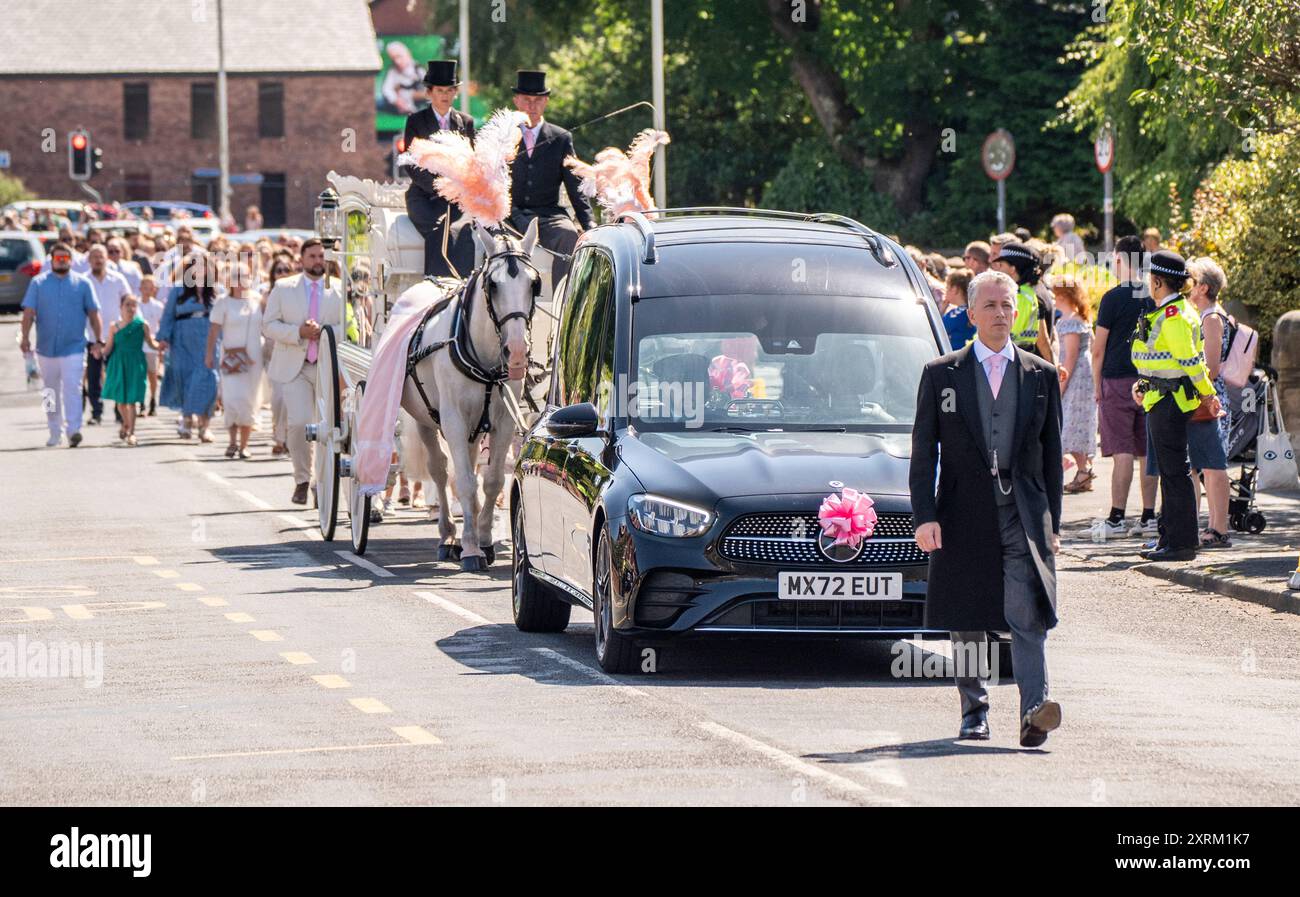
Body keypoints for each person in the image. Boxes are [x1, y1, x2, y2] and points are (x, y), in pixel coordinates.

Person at [910, 269, 1063, 747]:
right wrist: (925, 515)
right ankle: (973, 711)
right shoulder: (941, 374)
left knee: (1027, 610)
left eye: (1008, 306)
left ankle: (1034, 710)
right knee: (969, 613)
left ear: (1017, 313)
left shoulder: (1040, 374)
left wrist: (1053, 523)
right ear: (971, 313)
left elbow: (1052, 454)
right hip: (962, 510)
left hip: (1023, 512)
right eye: (991, 306)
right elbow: (924, 451)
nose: (1001, 314)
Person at [1131, 250, 1220, 561]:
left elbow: (1191, 363)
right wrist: (1142, 384)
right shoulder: (1174, 311)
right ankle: (1169, 538)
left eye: (1149, 279)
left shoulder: (1173, 316)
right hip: (1160, 396)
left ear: (1157, 281)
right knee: (1172, 473)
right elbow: (1163, 361)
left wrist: (1208, 394)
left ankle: (1180, 544)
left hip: (1170, 400)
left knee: (1174, 474)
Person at [263, 238, 345, 504]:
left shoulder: (339, 290)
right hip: (294, 367)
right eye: (312, 256)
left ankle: (321, 485)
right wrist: (297, 332)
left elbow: (350, 328)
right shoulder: (284, 288)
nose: (317, 261)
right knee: (298, 424)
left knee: (326, 429)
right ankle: (301, 478)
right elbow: (268, 325)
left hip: (325, 366)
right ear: (302, 259)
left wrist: (325, 333)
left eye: (321, 256)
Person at [1091, 235, 1158, 537]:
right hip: (1150, 379)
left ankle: (1117, 518)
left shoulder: (1112, 297)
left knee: (1122, 452)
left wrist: (1096, 386)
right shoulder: (1154, 296)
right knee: (1147, 451)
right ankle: (1149, 516)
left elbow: (1098, 348)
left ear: (1119, 260)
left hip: (1117, 380)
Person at [507, 69, 594, 283]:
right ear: (516, 100)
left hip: (547, 215)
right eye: (526, 100)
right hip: (509, 214)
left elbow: (575, 185)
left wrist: (589, 222)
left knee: (568, 235)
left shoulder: (561, 138)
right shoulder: (503, 134)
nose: (531, 106)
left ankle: (562, 303)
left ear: (546, 101)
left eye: (538, 100)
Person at [19, 243, 101, 447]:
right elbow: (28, 312)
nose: (62, 261)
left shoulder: (83, 284)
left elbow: (93, 313)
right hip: (46, 348)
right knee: (50, 391)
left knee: (73, 388)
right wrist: (25, 338)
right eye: (58, 258)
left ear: (71, 260)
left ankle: (74, 429)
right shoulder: (38, 283)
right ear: (52, 259)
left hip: (73, 346)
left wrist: (98, 340)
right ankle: (54, 429)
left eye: (65, 258)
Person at [403, 60, 476, 278]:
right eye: (439, 91)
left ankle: (463, 285)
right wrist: (439, 186)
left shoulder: (466, 122)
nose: (445, 95)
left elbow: (472, 162)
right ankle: (435, 282)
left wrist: (459, 188)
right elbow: (411, 163)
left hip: (457, 198)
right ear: (429, 93)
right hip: (424, 195)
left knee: (462, 230)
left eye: (449, 90)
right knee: (437, 229)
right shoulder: (416, 121)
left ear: (455, 92)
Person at [1186, 256, 1233, 548]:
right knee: (1196, 465)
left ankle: (1219, 528)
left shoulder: (1211, 319)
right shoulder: (1208, 316)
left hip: (1210, 399)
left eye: (1191, 281)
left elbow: (1211, 367)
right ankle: (1197, 524)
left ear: (1202, 287)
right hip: (1203, 397)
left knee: (1214, 467)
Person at [157, 253, 220, 441]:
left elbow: (224, 318)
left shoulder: (217, 291)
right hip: (182, 339)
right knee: (186, 379)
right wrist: (163, 337)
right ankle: (186, 420)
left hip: (208, 339)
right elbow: (168, 315)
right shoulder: (178, 290)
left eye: (203, 266)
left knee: (208, 380)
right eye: (195, 266)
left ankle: (205, 425)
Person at [206, 261, 263, 459]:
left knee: (249, 400)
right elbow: (214, 330)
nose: (241, 281)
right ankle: (231, 442)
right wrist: (208, 354)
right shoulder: (223, 302)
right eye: (236, 276)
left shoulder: (258, 300)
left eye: (244, 276)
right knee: (231, 399)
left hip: (254, 358)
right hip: (230, 357)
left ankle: (244, 445)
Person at [1052, 277, 1097, 491]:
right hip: (1084, 375)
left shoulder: (1070, 321)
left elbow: (1069, 356)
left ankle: (1083, 470)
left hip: (1075, 377)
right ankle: (1083, 469)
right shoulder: (1081, 319)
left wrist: (1060, 386)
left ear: (1063, 296)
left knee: (1070, 423)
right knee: (1076, 422)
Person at [81, 245, 132, 425]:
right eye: (94, 256)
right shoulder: (83, 281)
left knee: (117, 374)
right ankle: (96, 412)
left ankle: (120, 413)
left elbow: (129, 302)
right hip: (91, 336)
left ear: (106, 259)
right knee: (94, 376)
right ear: (89, 260)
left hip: (115, 335)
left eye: (101, 256)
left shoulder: (117, 279)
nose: (98, 260)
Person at [101, 294, 158, 446]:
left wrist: (163, 345)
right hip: (118, 364)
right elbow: (108, 348)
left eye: (133, 305)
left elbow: (152, 344)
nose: (131, 308)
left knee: (132, 401)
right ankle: (126, 423)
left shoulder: (142, 325)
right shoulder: (114, 326)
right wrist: (98, 352)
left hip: (136, 363)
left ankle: (131, 433)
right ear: (121, 307)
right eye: (127, 305)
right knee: (120, 401)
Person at [990, 241, 1055, 363]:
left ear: (1012, 269)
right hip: (1031, 365)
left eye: (1001, 265)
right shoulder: (1038, 289)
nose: (998, 270)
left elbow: (1042, 340)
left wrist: (1052, 372)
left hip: (1027, 367)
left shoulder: (1026, 296)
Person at [137, 275, 164, 416]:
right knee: (140, 375)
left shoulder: (158, 306)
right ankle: (141, 403)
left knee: (152, 374)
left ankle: (153, 400)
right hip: (137, 345)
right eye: (145, 287)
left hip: (151, 345)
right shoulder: (135, 305)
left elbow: (161, 324)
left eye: (150, 288)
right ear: (140, 288)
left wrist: (159, 342)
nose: (147, 290)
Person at [940, 268, 976, 348]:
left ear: (955, 289)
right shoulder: (957, 311)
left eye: (947, 287)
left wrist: (942, 310)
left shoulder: (961, 314)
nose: (945, 290)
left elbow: (938, 329)